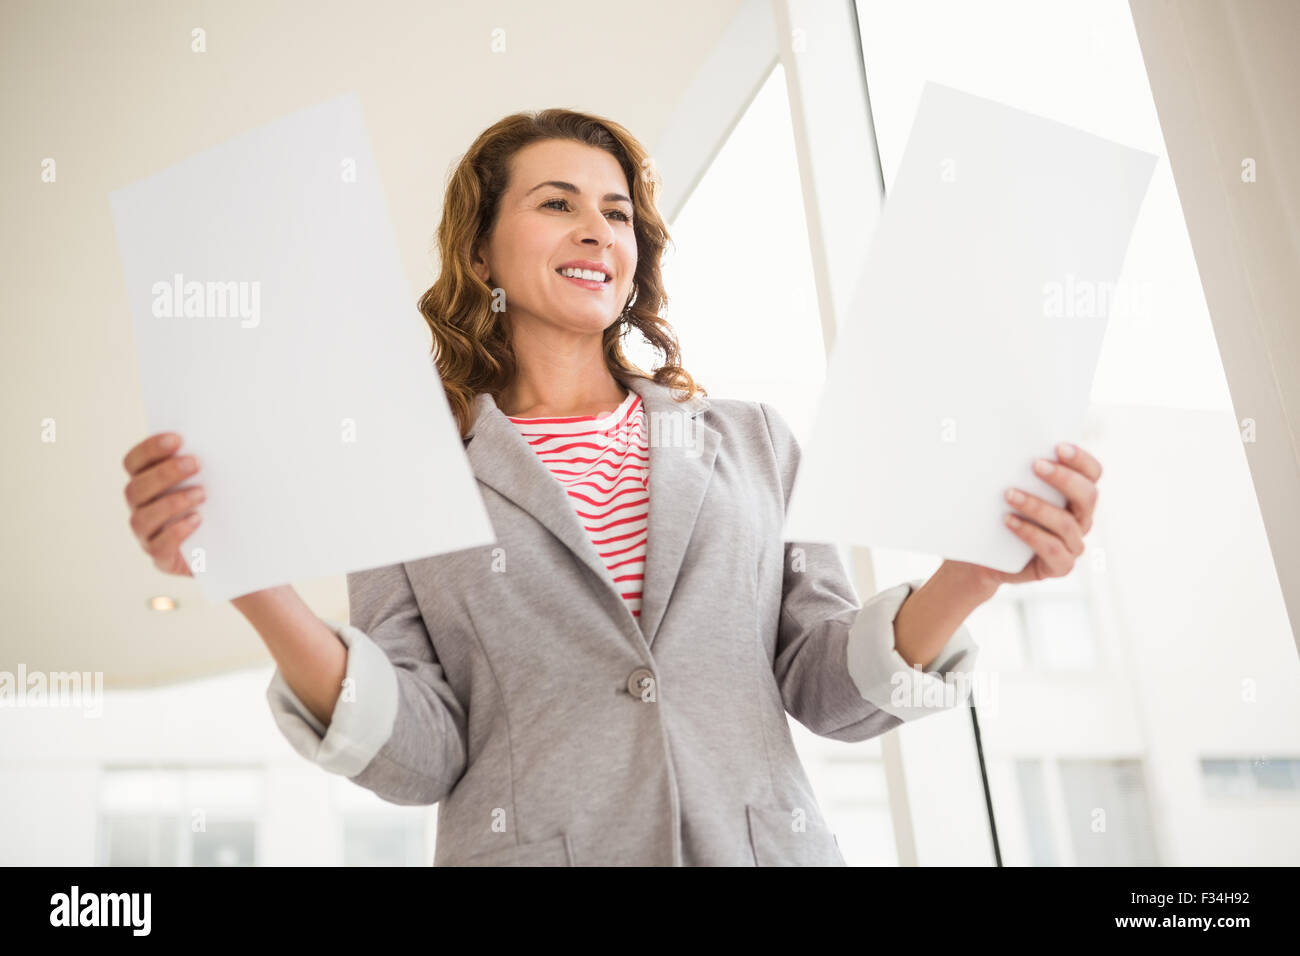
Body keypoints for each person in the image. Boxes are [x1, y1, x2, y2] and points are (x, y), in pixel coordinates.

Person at [121, 108, 1103, 865]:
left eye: (617, 211)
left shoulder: (752, 440)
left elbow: (826, 688)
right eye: (557, 202)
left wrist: (969, 575)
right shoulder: (418, 471)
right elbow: (420, 752)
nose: (597, 227)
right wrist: (250, 575)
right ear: (478, 252)